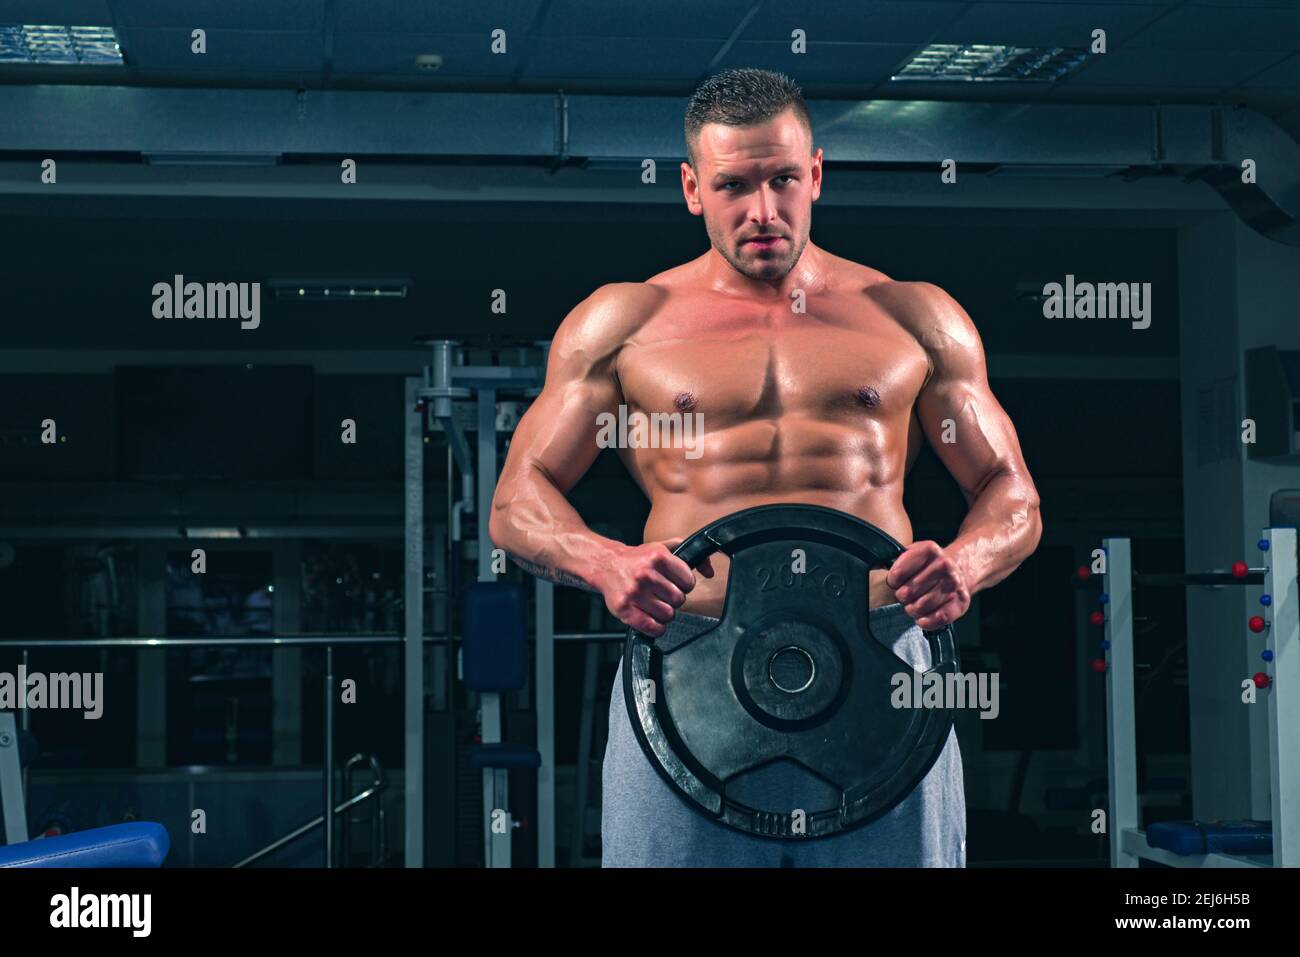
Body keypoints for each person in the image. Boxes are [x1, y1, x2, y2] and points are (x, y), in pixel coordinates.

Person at [489, 67, 1042, 866]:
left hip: (880, 657)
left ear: (815, 172)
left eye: (783, 178)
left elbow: (1010, 494)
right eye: (733, 185)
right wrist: (602, 560)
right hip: (687, 660)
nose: (762, 210)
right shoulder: (626, 321)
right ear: (690, 188)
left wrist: (967, 563)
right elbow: (517, 502)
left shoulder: (912, 317)